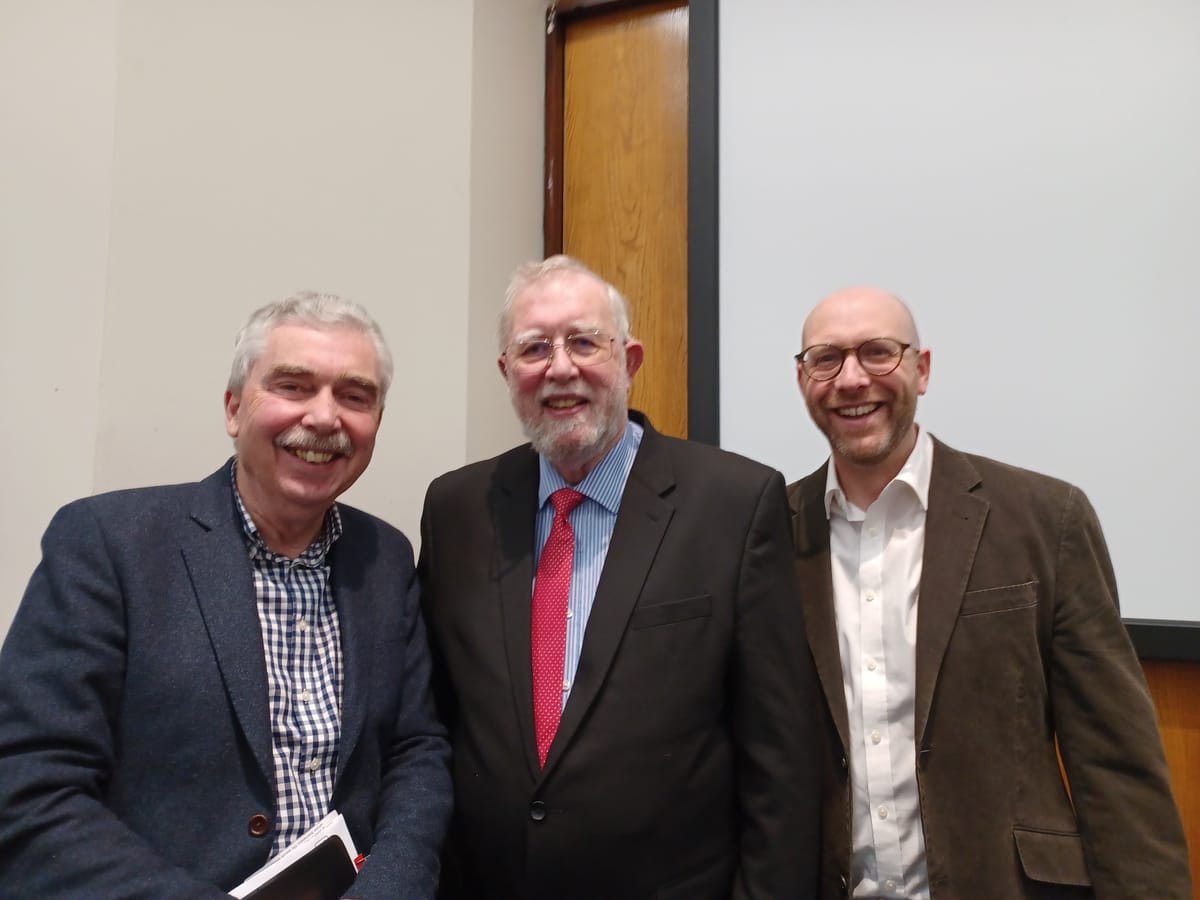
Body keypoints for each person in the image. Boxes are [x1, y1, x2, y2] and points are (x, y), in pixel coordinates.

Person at [0, 292, 452, 899]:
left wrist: (388, 888)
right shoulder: (109, 543)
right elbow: (29, 786)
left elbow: (416, 749)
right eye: (293, 386)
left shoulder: (386, 558)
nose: (325, 417)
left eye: (354, 396)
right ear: (234, 409)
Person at [418, 255, 819, 899]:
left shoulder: (734, 504)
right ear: (507, 372)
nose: (560, 368)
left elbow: (782, 758)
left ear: (629, 361)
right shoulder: (457, 509)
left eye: (584, 342)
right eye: (534, 348)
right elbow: (434, 724)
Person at [789, 286, 1191, 899]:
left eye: (877, 352)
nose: (851, 379)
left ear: (922, 370)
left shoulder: (1045, 519)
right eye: (827, 359)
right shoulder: (770, 532)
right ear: (803, 380)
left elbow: (1115, 759)